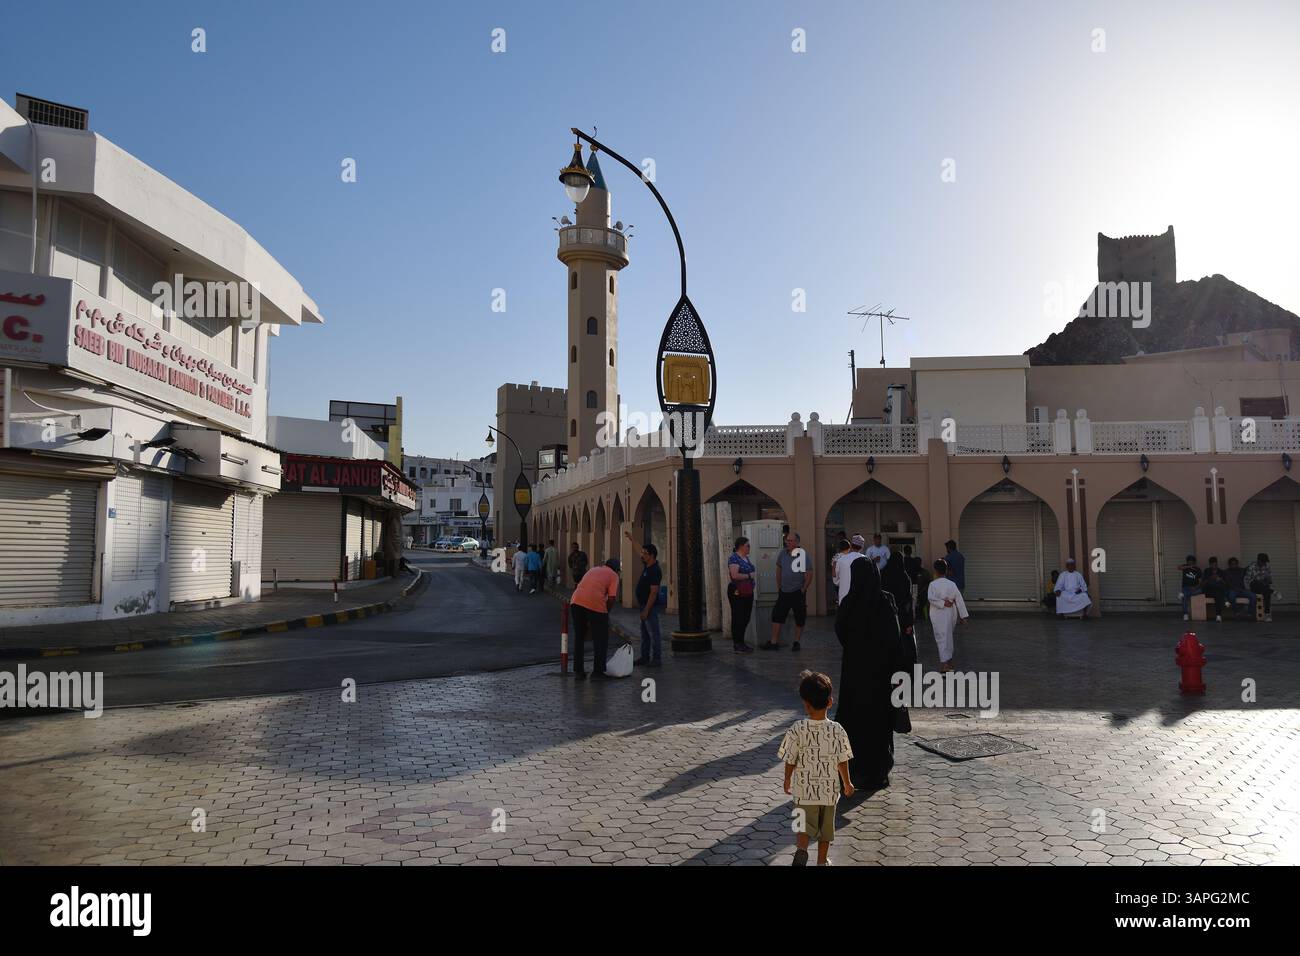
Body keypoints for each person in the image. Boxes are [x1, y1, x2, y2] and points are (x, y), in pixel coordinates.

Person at [834, 557, 905, 790]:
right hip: (881, 674)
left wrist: (857, 648)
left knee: (853, 720)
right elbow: (896, 641)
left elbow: (840, 632)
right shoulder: (885, 601)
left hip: (854, 673)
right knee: (878, 721)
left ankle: (853, 770)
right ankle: (877, 772)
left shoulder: (848, 603)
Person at [779, 671, 854, 867]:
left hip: (803, 790)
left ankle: (802, 850)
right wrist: (847, 782)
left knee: (802, 824)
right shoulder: (838, 730)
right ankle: (821, 861)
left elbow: (790, 759)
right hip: (828, 791)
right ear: (830, 702)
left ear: (806, 704)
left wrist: (787, 779)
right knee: (825, 830)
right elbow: (842, 760)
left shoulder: (797, 728)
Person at [570, 558, 621, 680]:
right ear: (616, 569)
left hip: (576, 601)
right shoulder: (614, 575)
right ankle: (597, 673)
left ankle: (578, 672)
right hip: (595, 603)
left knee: (579, 637)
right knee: (601, 638)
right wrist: (605, 613)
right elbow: (612, 598)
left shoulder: (593, 569)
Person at [763, 532, 812, 652]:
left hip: (797, 592)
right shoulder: (782, 553)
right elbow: (779, 569)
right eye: (787, 540)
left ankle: (796, 642)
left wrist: (803, 589)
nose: (787, 542)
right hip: (784, 591)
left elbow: (809, 573)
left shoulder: (803, 555)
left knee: (800, 617)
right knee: (777, 616)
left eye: (790, 541)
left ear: (797, 542)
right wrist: (779, 586)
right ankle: (774, 642)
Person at [627, 533, 663, 667]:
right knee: (645, 633)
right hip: (643, 605)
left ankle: (656, 659)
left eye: (645, 553)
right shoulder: (647, 566)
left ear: (652, 555)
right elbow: (639, 550)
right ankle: (645, 657)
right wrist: (632, 539)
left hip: (650, 607)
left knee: (653, 633)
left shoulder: (655, 570)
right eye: (642, 553)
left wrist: (647, 610)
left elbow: (653, 592)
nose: (642, 555)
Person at [927, 558, 968, 672]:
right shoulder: (952, 584)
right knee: (948, 636)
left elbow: (931, 598)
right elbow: (959, 599)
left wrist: (942, 603)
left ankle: (945, 664)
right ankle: (949, 661)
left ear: (935, 570)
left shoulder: (933, 584)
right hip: (951, 613)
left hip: (938, 614)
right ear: (946, 570)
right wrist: (963, 616)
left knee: (941, 637)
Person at [727, 537, 757, 653]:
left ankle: (741, 642)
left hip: (748, 591)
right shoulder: (734, 558)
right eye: (748, 545)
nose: (749, 547)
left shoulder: (746, 558)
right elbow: (734, 575)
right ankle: (737, 644)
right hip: (737, 591)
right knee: (738, 616)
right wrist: (749, 575)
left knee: (746, 617)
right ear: (741, 546)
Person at [837, 534, 867, 606]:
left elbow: (836, 579)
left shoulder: (841, 560)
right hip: (860, 598)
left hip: (844, 597)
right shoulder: (866, 560)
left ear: (851, 545)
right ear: (862, 547)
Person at [1245, 553, 1274, 623]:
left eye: (1265, 562)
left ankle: (1267, 614)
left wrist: (1267, 581)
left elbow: (1270, 580)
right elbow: (1247, 579)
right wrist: (1248, 589)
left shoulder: (1267, 566)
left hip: (1263, 587)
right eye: (1263, 562)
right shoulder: (1252, 566)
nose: (1264, 563)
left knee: (1267, 592)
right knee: (1256, 582)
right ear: (1258, 561)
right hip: (1253, 586)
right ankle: (1273, 591)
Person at [1200, 557, 1228, 623]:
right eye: (1212, 564)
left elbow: (1225, 583)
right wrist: (1210, 578)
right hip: (1209, 590)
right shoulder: (1207, 571)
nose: (1214, 566)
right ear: (1210, 564)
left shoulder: (1221, 571)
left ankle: (1218, 615)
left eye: (1215, 564)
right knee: (1218, 594)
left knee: (1218, 594)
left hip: (1218, 590)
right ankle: (1225, 601)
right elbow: (1203, 583)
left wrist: (1220, 579)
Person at [1177, 555, 1202, 622]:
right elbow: (1179, 568)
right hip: (1185, 587)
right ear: (1187, 561)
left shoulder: (1198, 569)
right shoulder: (1185, 567)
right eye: (1189, 561)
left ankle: (1183, 594)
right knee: (1185, 598)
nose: (1190, 562)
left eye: (1192, 561)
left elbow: (1200, 581)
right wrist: (1189, 566)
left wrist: (1196, 587)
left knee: (1200, 590)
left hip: (1194, 588)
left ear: (1194, 562)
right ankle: (1185, 614)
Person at [830, 538, 851, 607]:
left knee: (840, 602)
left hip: (837, 583)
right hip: (846, 583)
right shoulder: (848, 557)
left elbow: (833, 572)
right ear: (849, 547)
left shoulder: (836, 556)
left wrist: (835, 580)